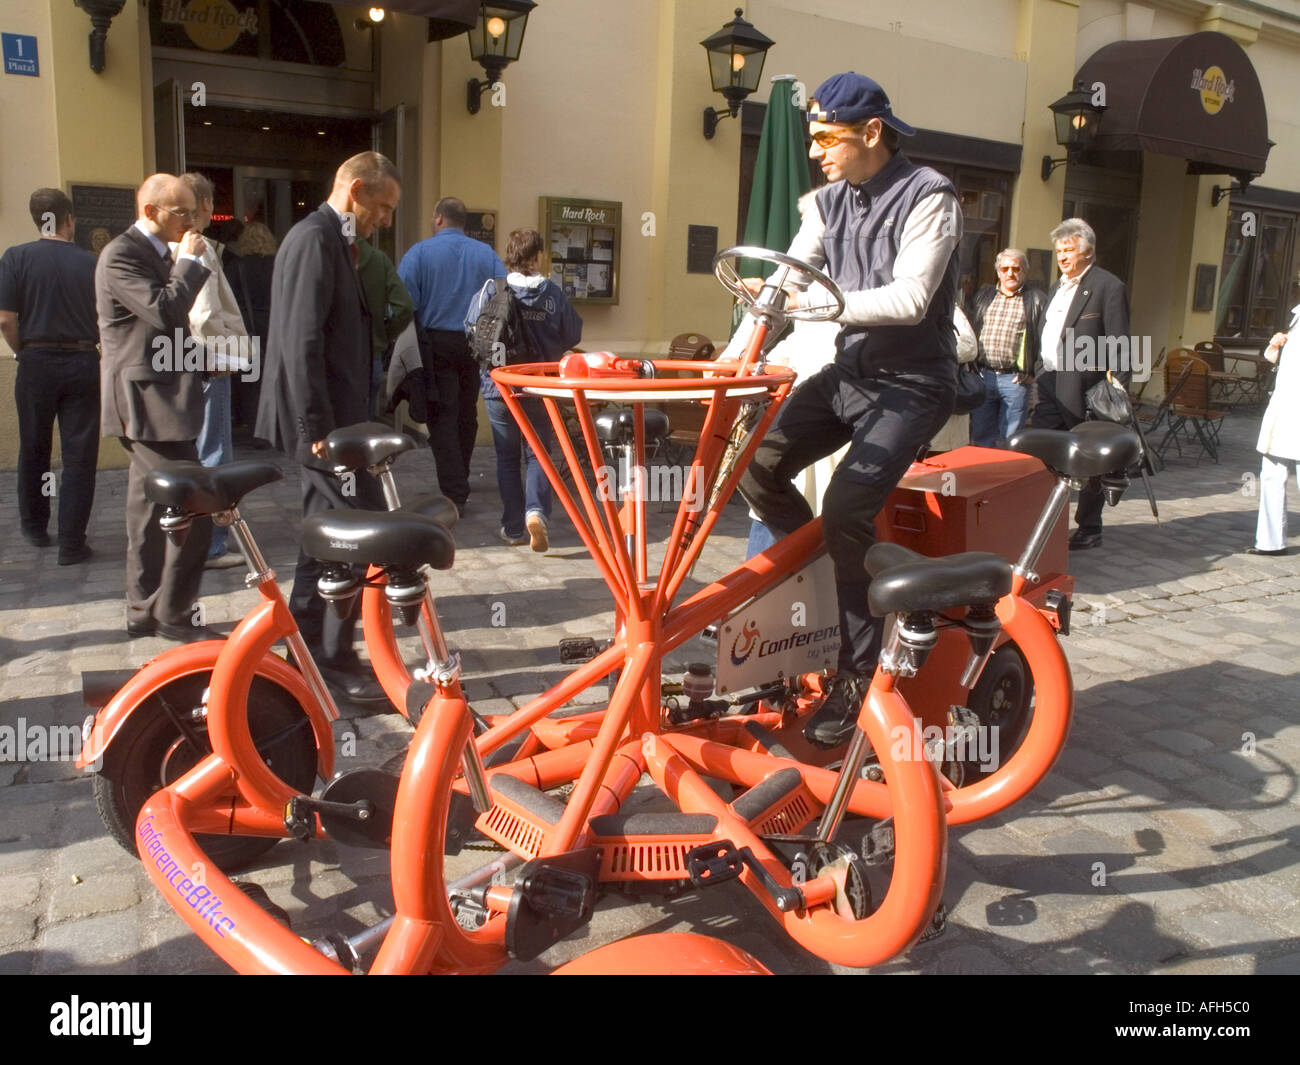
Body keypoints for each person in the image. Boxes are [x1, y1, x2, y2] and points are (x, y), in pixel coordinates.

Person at [737, 71, 961, 750]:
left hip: (915, 382)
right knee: (756, 468)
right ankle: (828, 577)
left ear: (871, 133)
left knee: (846, 508)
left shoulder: (932, 195)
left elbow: (910, 300)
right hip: (852, 373)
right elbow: (786, 277)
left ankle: (858, 674)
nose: (817, 151)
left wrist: (811, 304)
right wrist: (744, 340)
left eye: (828, 137)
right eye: (812, 138)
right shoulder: (826, 202)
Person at [256, 151, 400, 704]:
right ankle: (328, 654)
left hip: (337, 421)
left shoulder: (333, 239)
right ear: (356, 189)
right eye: (383, 207)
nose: (386, 220)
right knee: (344, 532)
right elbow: (300, 339)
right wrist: (316, 423)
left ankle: (309, 645)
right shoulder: (314, 239)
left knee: (331, 528)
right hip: (324, 424)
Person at [96, 173, 215, 641]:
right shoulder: (122, 254)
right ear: (150, 211)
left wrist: (203, 362)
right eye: (182, 213)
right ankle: (172, 613)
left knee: (146, 512)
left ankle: (143, 608)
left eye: (193, 211)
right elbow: (163, 311)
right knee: (196, 504)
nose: (193, 222)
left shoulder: (157, 252)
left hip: (162, 396)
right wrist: (188, 263)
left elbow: (162, 333)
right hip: (146, 403)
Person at [0, 188, 100, 564]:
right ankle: (72, 543)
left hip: (35, 360)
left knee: (34, 447)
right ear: (69, 219)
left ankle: (35, 526)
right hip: (82, 359)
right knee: (79, 455)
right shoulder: (91, 262)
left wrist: (21, 348)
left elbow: (5, 318)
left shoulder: (16, 257)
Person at [466, 227, 582, 551]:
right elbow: (573, 333)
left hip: (498, 386)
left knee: (506, 459)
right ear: (538, 256)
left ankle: (514, 527)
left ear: (510, 253)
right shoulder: (553, 294)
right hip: (539, 386)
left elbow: (471, 329)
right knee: (539, 454)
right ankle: (537, 513)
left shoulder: (492, 289)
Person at [397, 197, 506, 511]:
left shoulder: (419, 253)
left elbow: (405, 302)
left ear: (438, 219)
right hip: (475, 343)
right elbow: (502, 297)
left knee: (441, 415)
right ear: (464, 222)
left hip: (435, 342)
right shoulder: (485, 254)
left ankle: (455, 490)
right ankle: (460, 477)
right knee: (466, 413)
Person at [1031, 218, 1131, 550]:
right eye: (1059, 250)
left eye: (1069, 250)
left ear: (1088, 252)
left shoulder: (1108, 286)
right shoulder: (1057, 286)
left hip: (1084, 386)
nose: (1062, 256)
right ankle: (1038, 516)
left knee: (1089, 458)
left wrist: (1117, 387)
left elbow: (1119, 343)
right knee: (1039, 450)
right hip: (1049, 380)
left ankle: (1090, 527)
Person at [170, 172, 248, 569]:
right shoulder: (197, 244)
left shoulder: (170, 242)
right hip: (205, 359)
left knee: (198, 449)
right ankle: (212, 543)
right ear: (205, 204)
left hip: (182, 360)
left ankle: (197, 537)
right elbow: (202, 311)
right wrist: (218, 356)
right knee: (214, 450)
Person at [968, 248, 1046, 448]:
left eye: (1016, 268)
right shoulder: (984, 296)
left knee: (1010, 441)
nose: (1010, 273)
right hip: (984, 376)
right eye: (1005, 268)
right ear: (998, 271)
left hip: (1015, 380)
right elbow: (970, 329)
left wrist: (1032, 372)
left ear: (1024, 272)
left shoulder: (1036, 299)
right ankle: (983, 477)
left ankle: (1004, 477)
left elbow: (1043, 339)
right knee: (980, 436)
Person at [1249, 296, 1300, 555]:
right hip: (1282, 411)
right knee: (1270, 474)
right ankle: (1270, 542)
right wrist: (1277, 346)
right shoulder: (1296, 315)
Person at [225, 221, 277, 441]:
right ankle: (275, 429)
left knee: (250, 383)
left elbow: (228, 301)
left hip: (248, 330)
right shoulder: (278, 265)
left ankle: (256, 431)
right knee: (274, 381)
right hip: (275, 329)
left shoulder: (237, 267)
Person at [355, 235, 414, 418]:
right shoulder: (378, 259)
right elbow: (403, 308)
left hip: (333, 358)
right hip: (371, 353)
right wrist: (383, 335)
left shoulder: (327, 254)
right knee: (363, 427)